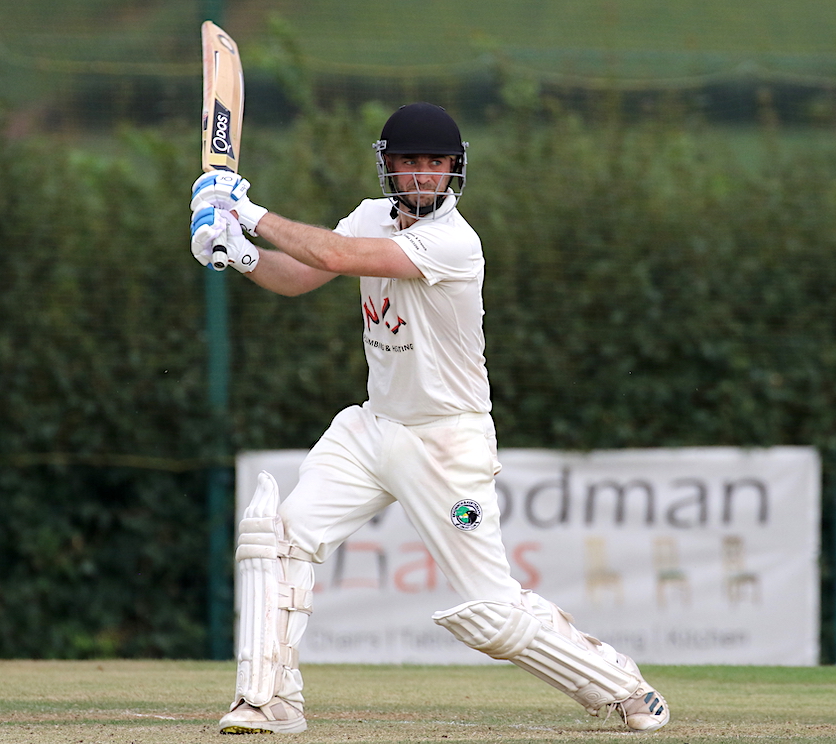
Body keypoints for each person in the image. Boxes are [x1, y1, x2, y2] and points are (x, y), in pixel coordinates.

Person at [188, 102, 670, 735]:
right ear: (388, 166)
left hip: (447, 443)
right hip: (375, 428)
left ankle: (622, 687)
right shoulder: (370, 215)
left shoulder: (454, 241)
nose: (421, 176)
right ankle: (267, 701)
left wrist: (246, 212)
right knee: (276, 538)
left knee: (493, 616)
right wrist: (238, 254)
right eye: (408, 163)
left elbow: (335, 257)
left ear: (453, 170)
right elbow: (303, 276)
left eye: (434, 164)